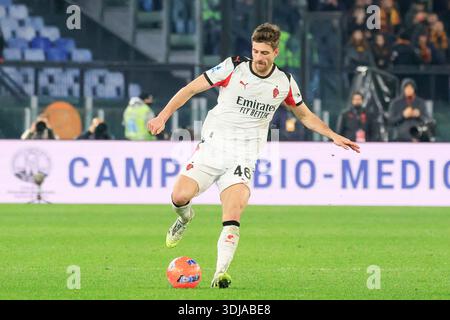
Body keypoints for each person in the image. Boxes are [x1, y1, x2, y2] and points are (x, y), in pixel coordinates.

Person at [147, 23, 360, 289]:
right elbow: (191, 88)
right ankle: (184, 218)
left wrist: (332, 135)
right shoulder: (233, 67)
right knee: (179, 196)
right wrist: (163, 116)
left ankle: (220, 274)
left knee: (233, 212)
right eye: (255, 51)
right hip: (212, 148)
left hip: (243, 157)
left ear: (276, 52)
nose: (259, 58)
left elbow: (304, 115)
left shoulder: (284, 82)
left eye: (264, 53)